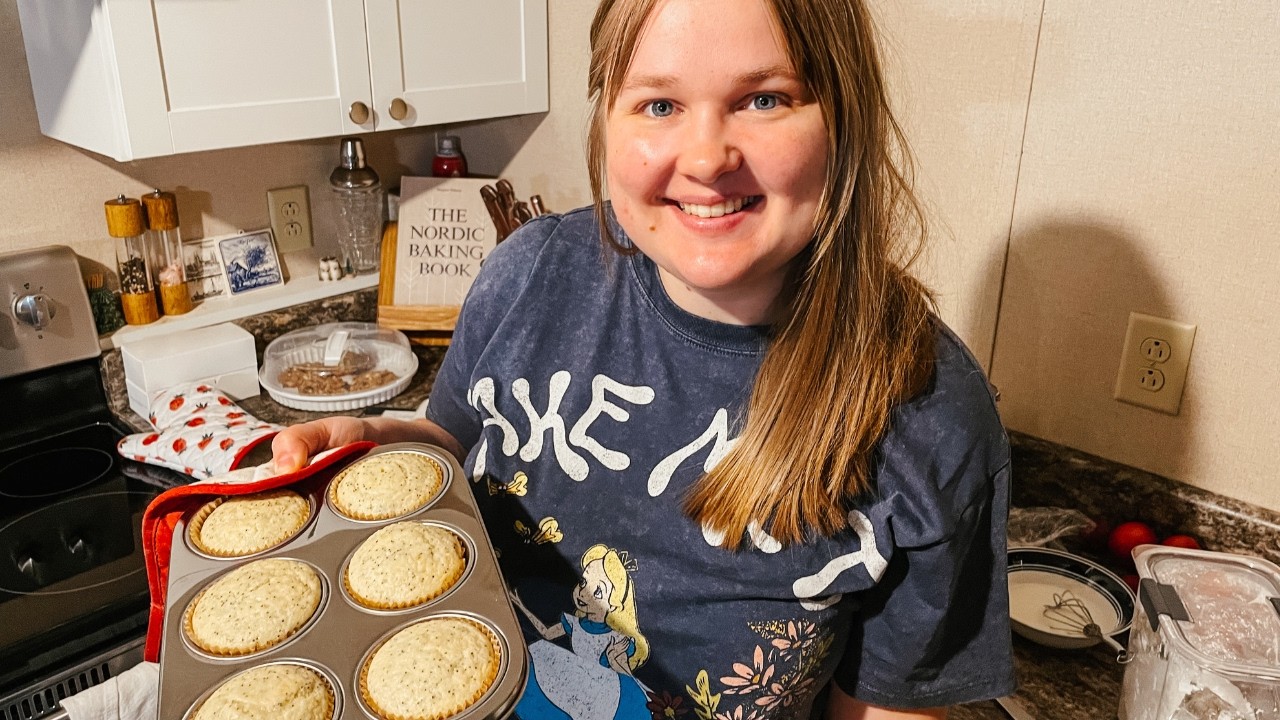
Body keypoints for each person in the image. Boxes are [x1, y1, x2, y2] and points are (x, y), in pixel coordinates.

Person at [272, 0, 1015, 717]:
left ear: (844, 115)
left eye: (763, 99)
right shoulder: (529, 276)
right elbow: (458, 453)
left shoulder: (928, 415)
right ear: (606, 119)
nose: (705, 158)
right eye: (659, 105)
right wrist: (385, 443)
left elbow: (888, 707)